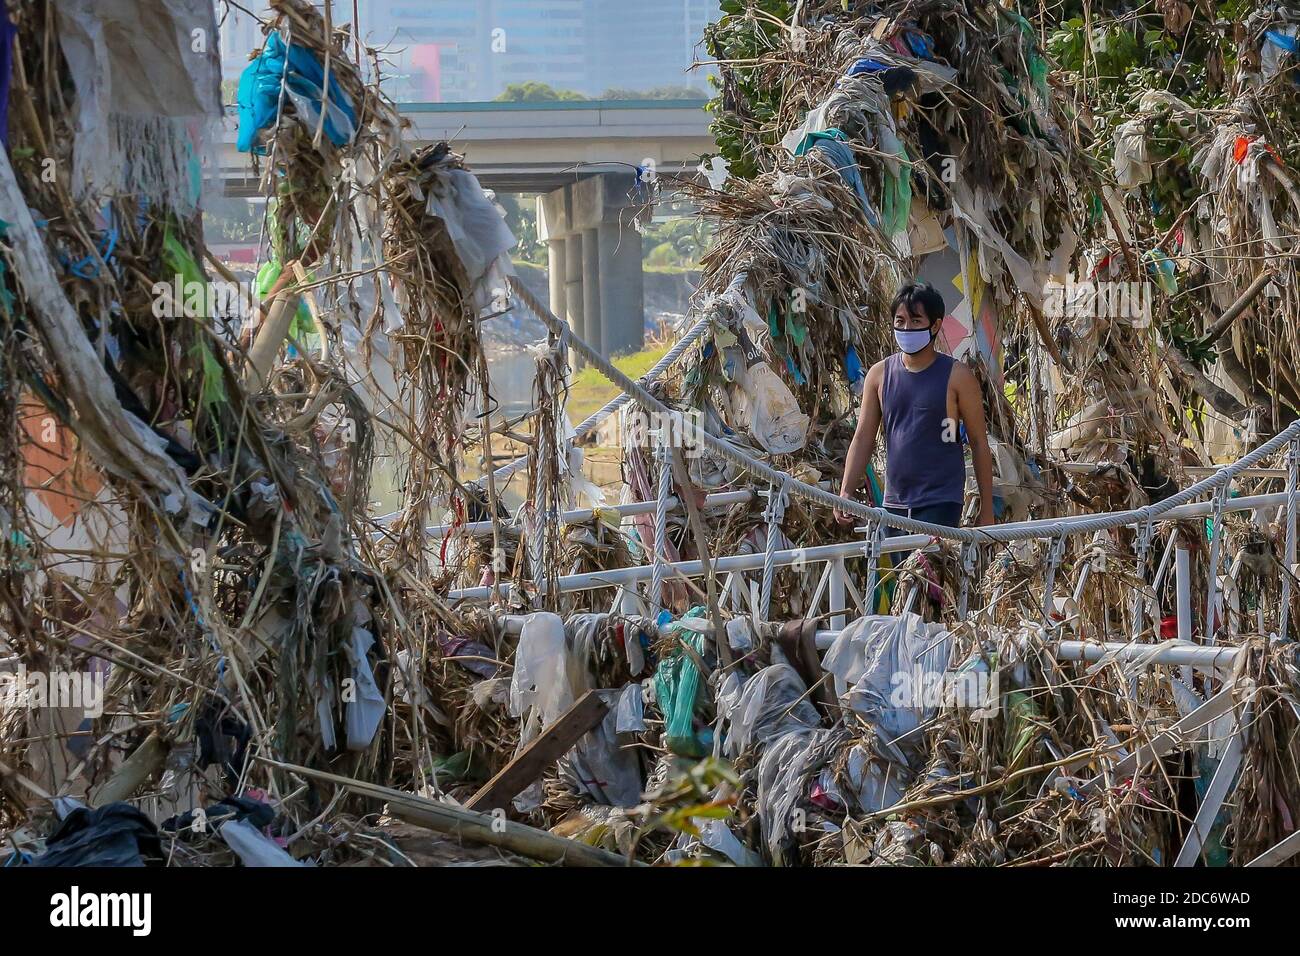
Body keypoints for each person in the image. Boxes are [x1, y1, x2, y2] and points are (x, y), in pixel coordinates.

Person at [835, 281, 994, 532]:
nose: (906, 328)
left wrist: (987, 512)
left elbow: (978, 442)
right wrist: (845, 491)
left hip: (940, 502)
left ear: (935, 325)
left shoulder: (958, 377)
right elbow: (864, 437)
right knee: (898, 573)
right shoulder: (879, 375)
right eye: (900, 321)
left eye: (916, 321)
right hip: (893, 504)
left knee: (923, 572)